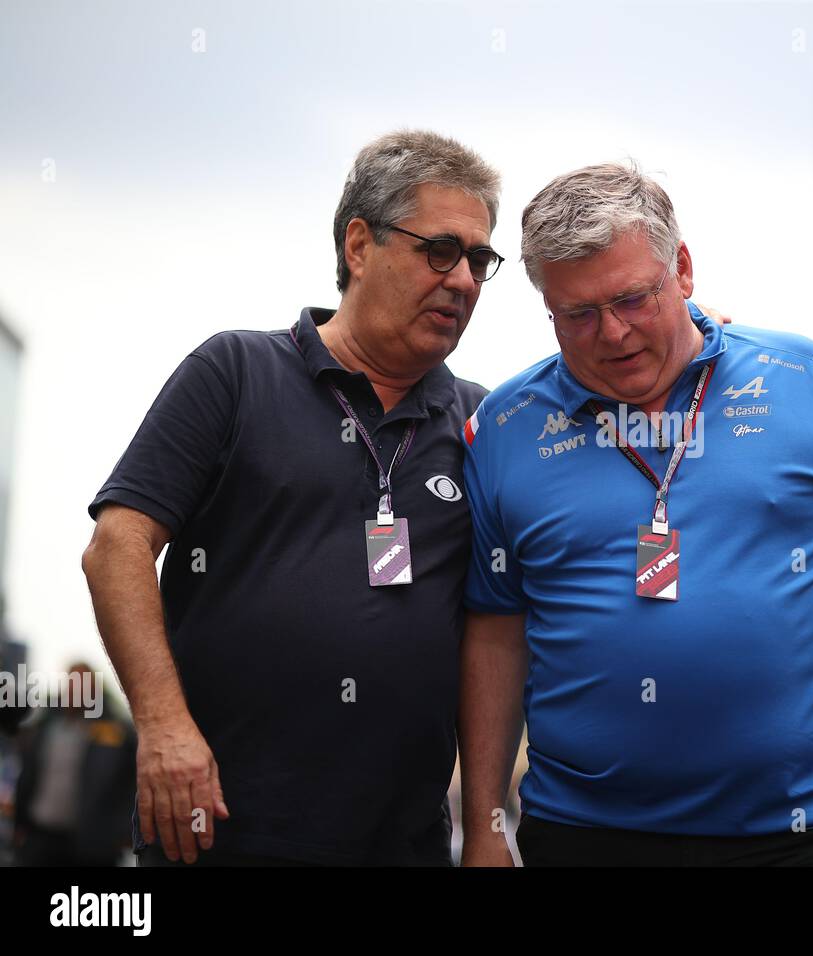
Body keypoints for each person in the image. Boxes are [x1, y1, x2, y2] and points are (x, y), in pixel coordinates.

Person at [458, 162, 813, 867]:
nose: (613, 334)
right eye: (579, 315)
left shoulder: (807, 382)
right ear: (548, 310)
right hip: (586, 837)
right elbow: (495, 638)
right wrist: (485, 824)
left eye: (632, 299)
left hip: (799, 830)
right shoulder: (504, 429)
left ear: (681, 269)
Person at [81, 129, 501, 865]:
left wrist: (687, 356)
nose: (463, 279)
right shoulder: (236, 372)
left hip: (402, 846)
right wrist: (164, 727)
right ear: (360, 245)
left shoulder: (484, 424)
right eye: (439, 250)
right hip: (220, 830)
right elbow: (117, 546)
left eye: (477, 259)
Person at [12, 662, 136, 866]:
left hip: (91, 845)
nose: (75, 690)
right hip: (40, 836)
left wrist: (123, 831)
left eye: (82, 684)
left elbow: (131, 783)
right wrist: (20, 822)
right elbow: (27, 774)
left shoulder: (116, 731)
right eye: (72, 682)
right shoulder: (46, 724)